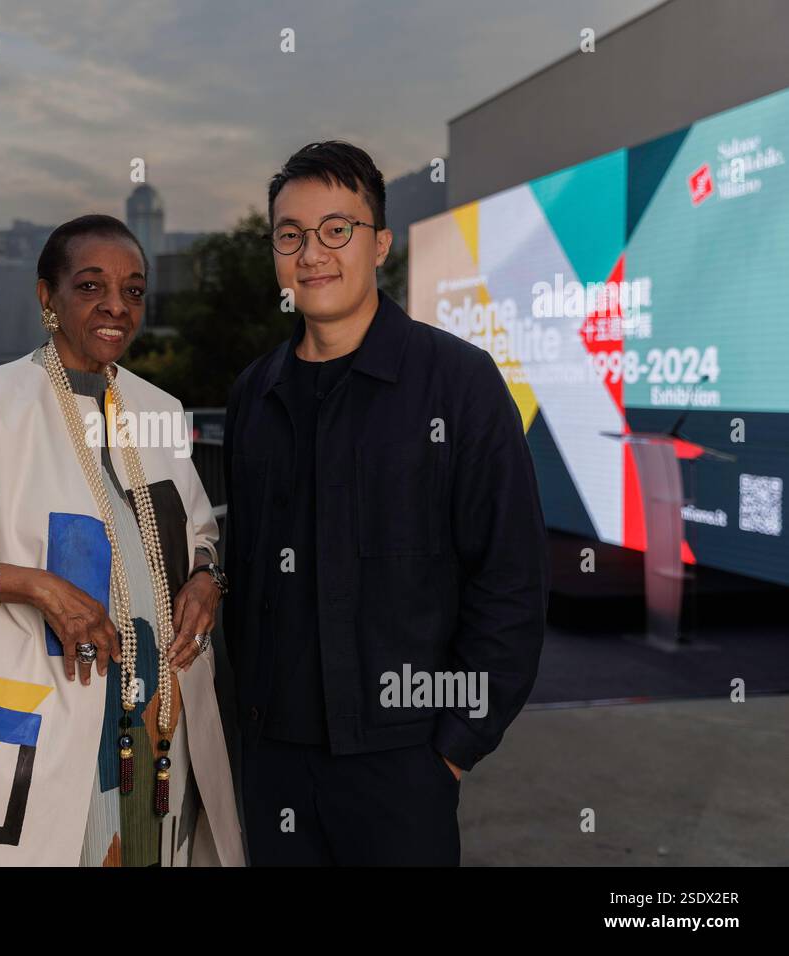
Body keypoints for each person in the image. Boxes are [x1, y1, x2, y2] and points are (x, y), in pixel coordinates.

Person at [0, 214, 244, 867]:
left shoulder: (157, 410)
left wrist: (207, 576)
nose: (115, 306)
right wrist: (35, 586)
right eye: (90, 286)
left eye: (133, 290)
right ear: (48, 298)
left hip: (159, 724)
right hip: (37, 726)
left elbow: (200, 528)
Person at [223, 142, 549, 865]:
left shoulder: (458, 384)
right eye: (291, 235)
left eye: (337, 229)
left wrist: (453, 750)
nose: (313, 253)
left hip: (403, 765)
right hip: (271, 760)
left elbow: (512, 581)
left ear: (380, 244)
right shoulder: (255, 393)